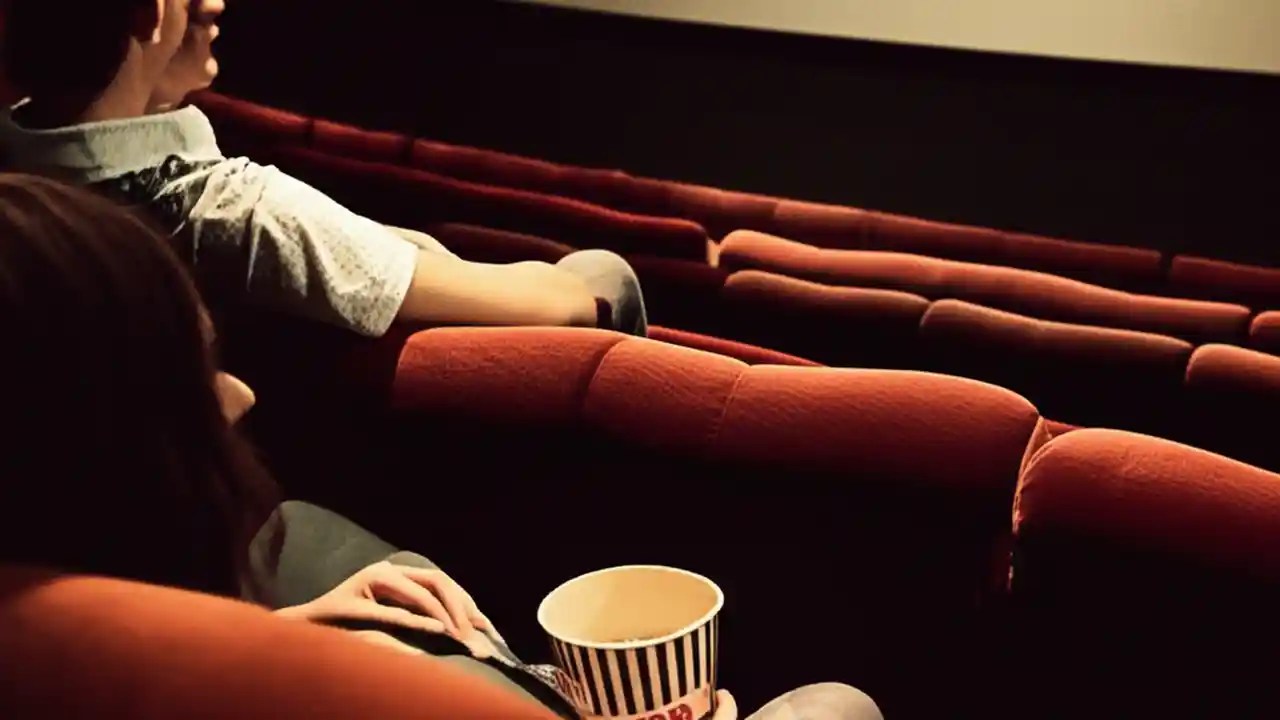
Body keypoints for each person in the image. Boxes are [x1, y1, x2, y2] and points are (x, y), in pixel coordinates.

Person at [0, 173, 882, 718]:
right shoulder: (351, 692)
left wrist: (285, 624)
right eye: (200, 375)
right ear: (96, 441)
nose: (241, 396)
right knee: (836, 705)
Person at [0, 0, 647, 339]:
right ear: (148, 10)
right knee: (602, 273)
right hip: (243, 535)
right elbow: (564, 306)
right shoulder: (231, 214)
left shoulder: (22, 186)